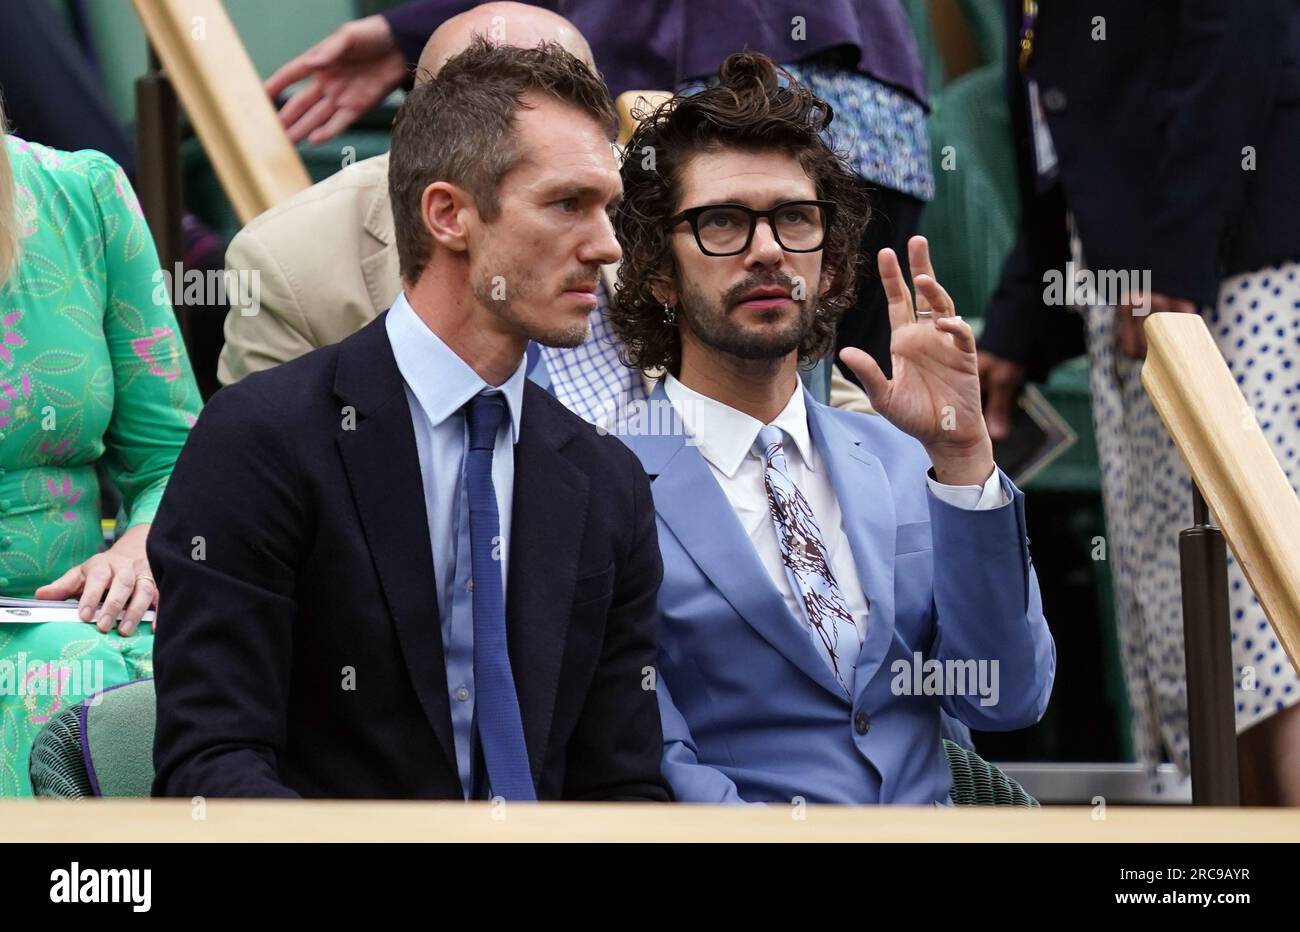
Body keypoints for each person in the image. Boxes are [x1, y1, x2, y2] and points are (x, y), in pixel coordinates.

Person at [149, 40, 669, 802]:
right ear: (448, 214)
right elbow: (212, 767)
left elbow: (622, 788)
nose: (607, 245)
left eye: (609, 208)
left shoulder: (607, 481)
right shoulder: (262, 440)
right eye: (567, 204)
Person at [609, 54, 1055, 804]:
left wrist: (966, 459)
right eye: (721, 221)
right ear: (657, 269)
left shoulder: (907, 459)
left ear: (826, 261)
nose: (767, 249)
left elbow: (1006, 699)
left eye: (794, 218)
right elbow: (654, 758)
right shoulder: (605, 480)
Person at [976, 0, 1300, 804]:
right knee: (1201, 648)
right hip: (1144, 287)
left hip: (1239, 274)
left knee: (1267, 620)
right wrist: (1013, 332)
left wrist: (1175, 266)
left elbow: (1232, 48)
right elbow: (1071, 157)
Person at [0, 104, 201, 796]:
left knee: (128, 672)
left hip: (72, 618)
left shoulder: (84, 196)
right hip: (57, 654)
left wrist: (140, 544)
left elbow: (174, 455)